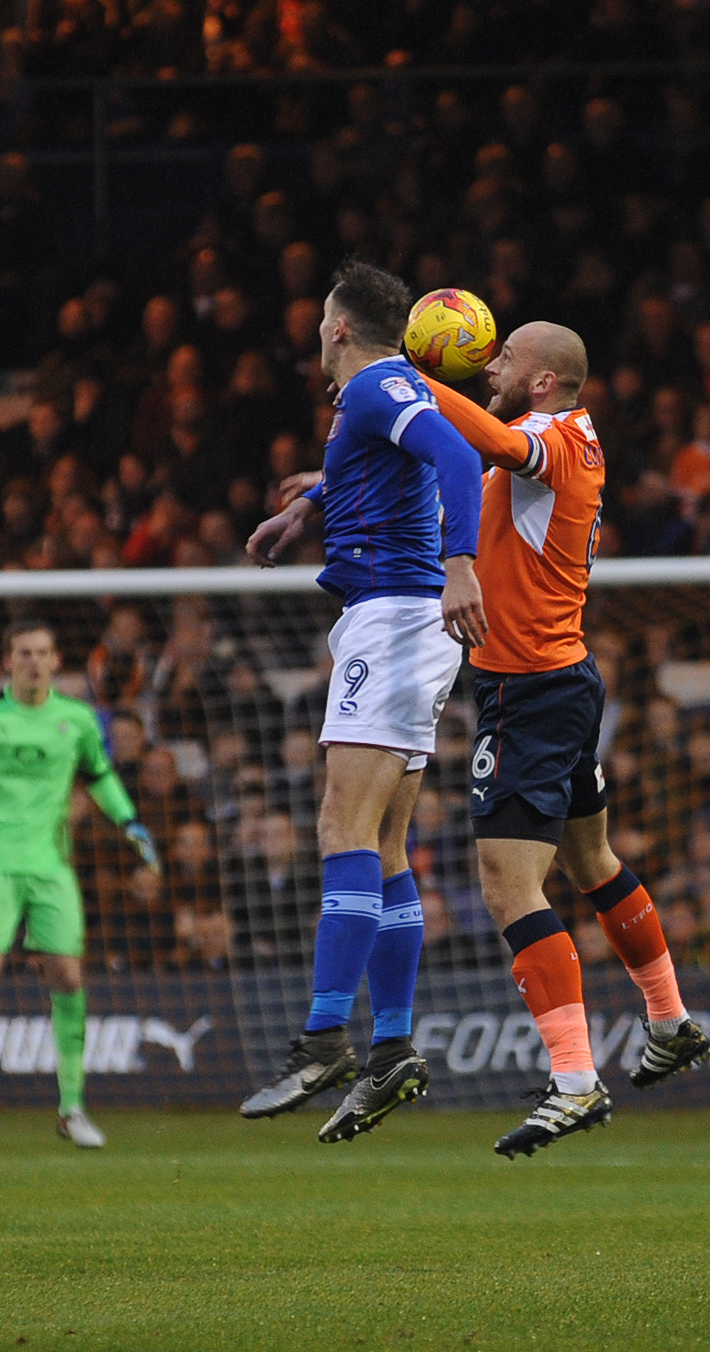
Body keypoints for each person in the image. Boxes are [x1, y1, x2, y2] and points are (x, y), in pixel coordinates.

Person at [423, 321, 710, 1159]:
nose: (491, 364)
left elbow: (483, 436)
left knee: (510, 885)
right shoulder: (557, 438)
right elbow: (469, 457)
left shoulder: (552, 438)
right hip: (562, 682)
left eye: (506, 356)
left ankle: (577, 1083)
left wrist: (398, 373)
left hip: (531, 695)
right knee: (592, 863)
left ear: (545, 381)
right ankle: (672, 1019)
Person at [239, 260, 486, 1142]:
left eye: (319, 322)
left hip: (395, 619)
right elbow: (387, 473)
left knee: (340, 830)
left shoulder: (379, 385)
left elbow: (456, 457)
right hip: (402, 624)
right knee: (383, 844)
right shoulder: (379, 400)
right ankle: (390, 1048)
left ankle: (322, 1039)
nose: (315, 334)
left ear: (339, 327)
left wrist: (462, 563)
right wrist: (309, 506)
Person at [0, 619, 160, 1148]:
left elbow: (99, 775)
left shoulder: (79, 721)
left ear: (56, 662)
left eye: (43, 652)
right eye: (24, 653)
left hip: (50, 867)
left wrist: (131, 823)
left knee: (67, 976)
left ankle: (72, 1107)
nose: (34, 662)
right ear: (7, 662)